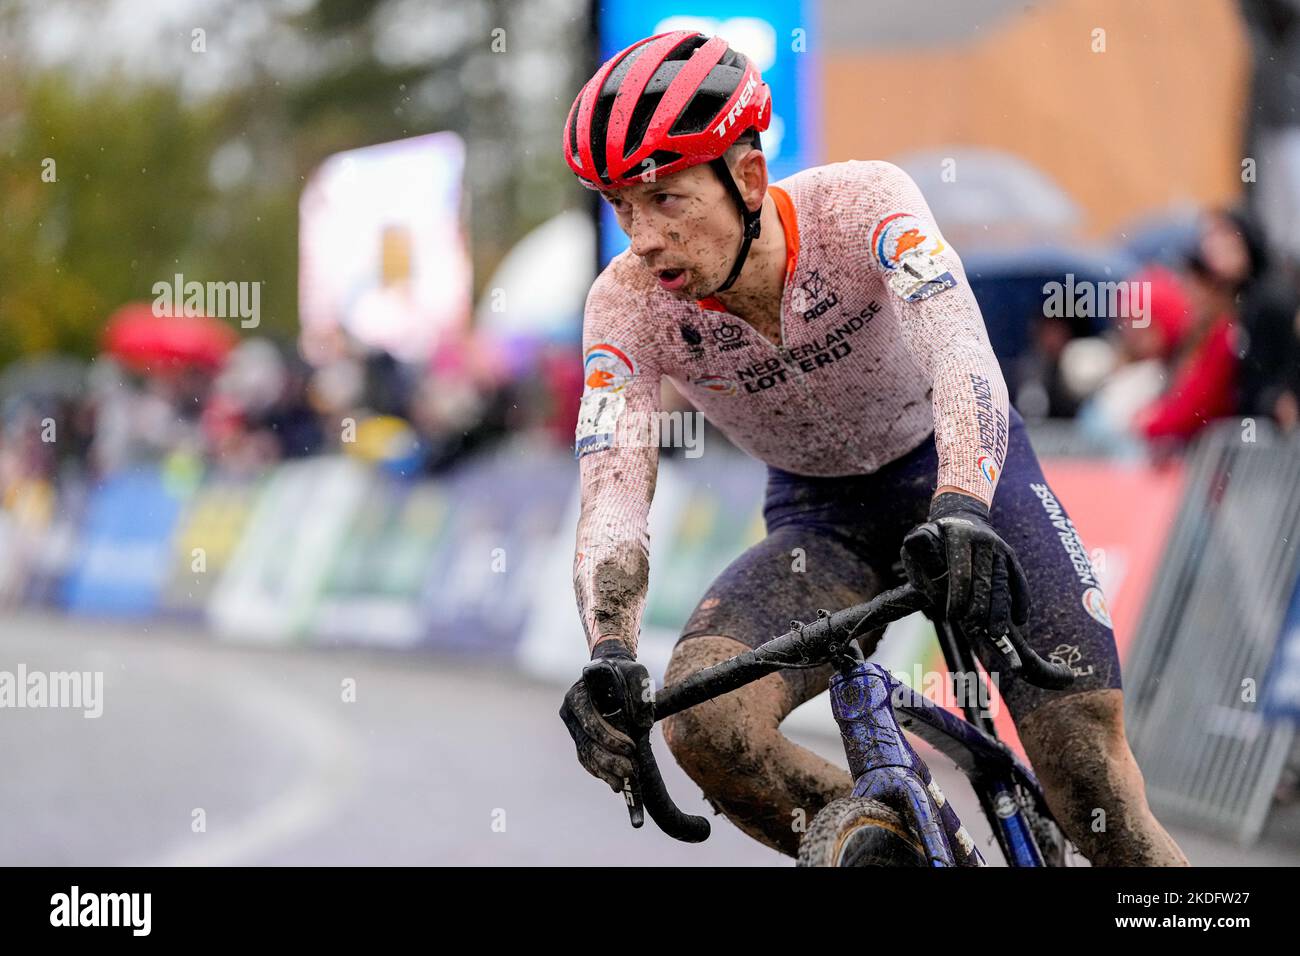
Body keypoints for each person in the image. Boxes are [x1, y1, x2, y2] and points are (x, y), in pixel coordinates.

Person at [556, 31, 1188, 865]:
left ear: (746, 177)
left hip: (965, 477)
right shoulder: (627, 303)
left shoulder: (859, 207)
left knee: (1088, 781)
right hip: (823, 519)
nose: (640, 236)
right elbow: (612, 479)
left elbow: (962, 353)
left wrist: (961, 500)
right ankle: (915, 850)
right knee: (704, 723)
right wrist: (608, 650)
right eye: (618, 205)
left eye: (664, 198)